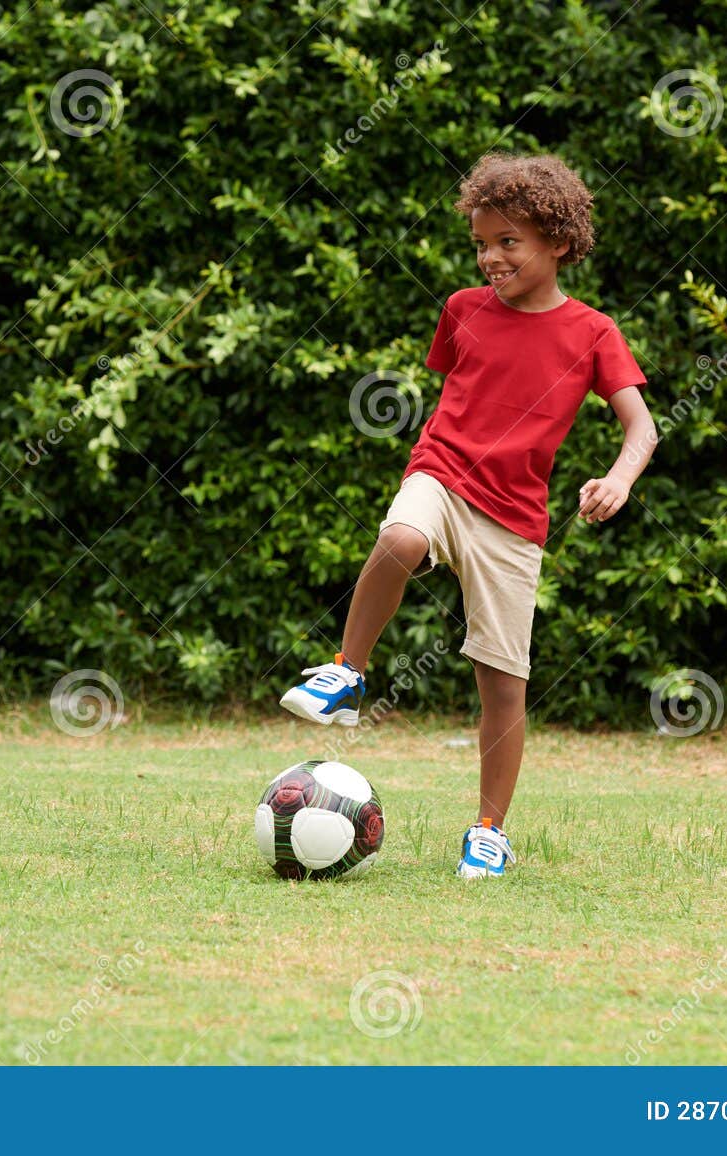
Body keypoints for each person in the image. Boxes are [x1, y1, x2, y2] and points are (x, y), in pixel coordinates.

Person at [281, 153, 656, 879]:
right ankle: (347, 672)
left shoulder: (594, 332)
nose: (490, 257)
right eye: (481, 242)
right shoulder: (461, 309)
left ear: (559, 242)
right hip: (443, 474)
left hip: (514, 519)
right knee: (400, 536)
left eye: (508, 242)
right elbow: (463, 390)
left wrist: (618, 477)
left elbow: (641, 426)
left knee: (501, 682)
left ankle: (488, 830)